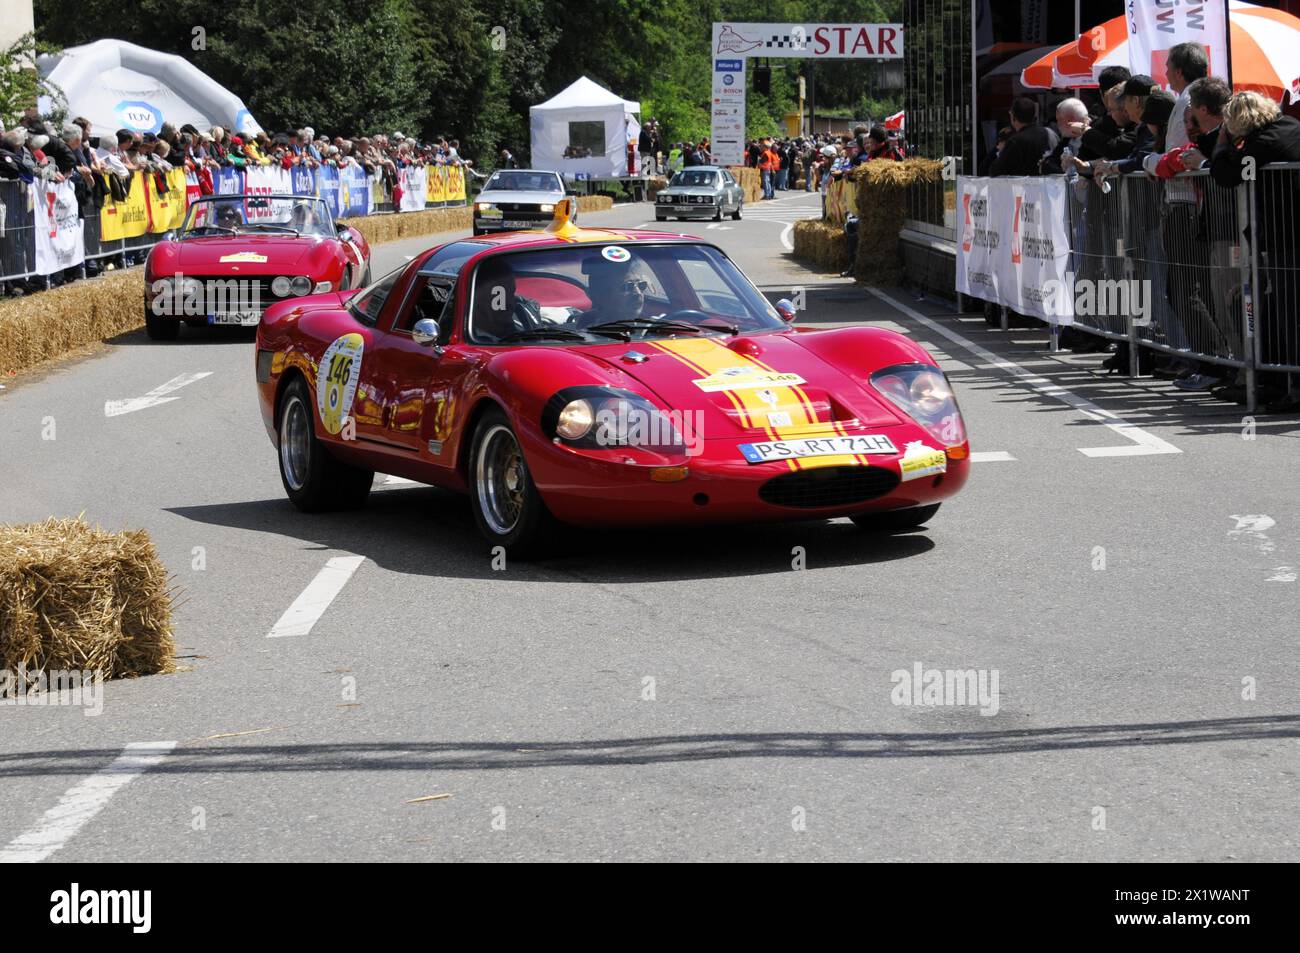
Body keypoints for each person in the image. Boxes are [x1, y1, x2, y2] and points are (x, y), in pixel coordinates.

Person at [1211, 91, 1300, 411]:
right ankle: (1278, 381)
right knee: (1277, 308)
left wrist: (1222, 144)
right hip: (1283, 238)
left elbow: (1225, 175)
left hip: (1286, 239)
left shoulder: (1262, 144)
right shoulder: (1291, 126)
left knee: (1289, 314)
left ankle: (1292, 386)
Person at [472, 258, 540, 342]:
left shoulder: (524, 323)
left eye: (511, 293)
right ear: (475, 297)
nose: (511, 303)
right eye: (499, 295)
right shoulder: (470, 339)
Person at [574, 254, 651, 327]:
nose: (638, 293)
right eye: (627, 287)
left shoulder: (655, 329)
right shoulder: (585, 333)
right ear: (601, 296)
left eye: (641, 285)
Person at [989, 97, 1055, 177]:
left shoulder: (1015, 141)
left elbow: (996, 171)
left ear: (1013, 117)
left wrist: (1001, 151)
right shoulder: (1046, 133)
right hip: (1044, 185)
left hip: (1023, 187)